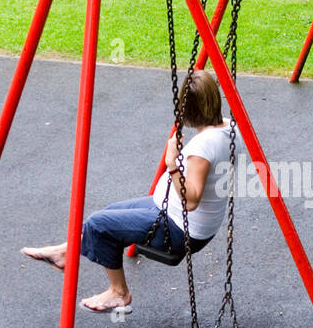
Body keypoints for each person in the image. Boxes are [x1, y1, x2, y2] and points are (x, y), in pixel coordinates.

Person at [22, 69, 231, 313]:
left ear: (190, 108)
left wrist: (172, 163)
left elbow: (191, 201)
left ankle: (119, 293)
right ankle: (65, 252)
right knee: (110, 212)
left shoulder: (204, 146)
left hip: (180, 229)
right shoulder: (228, 127)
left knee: (100, 225)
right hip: (172, 210)